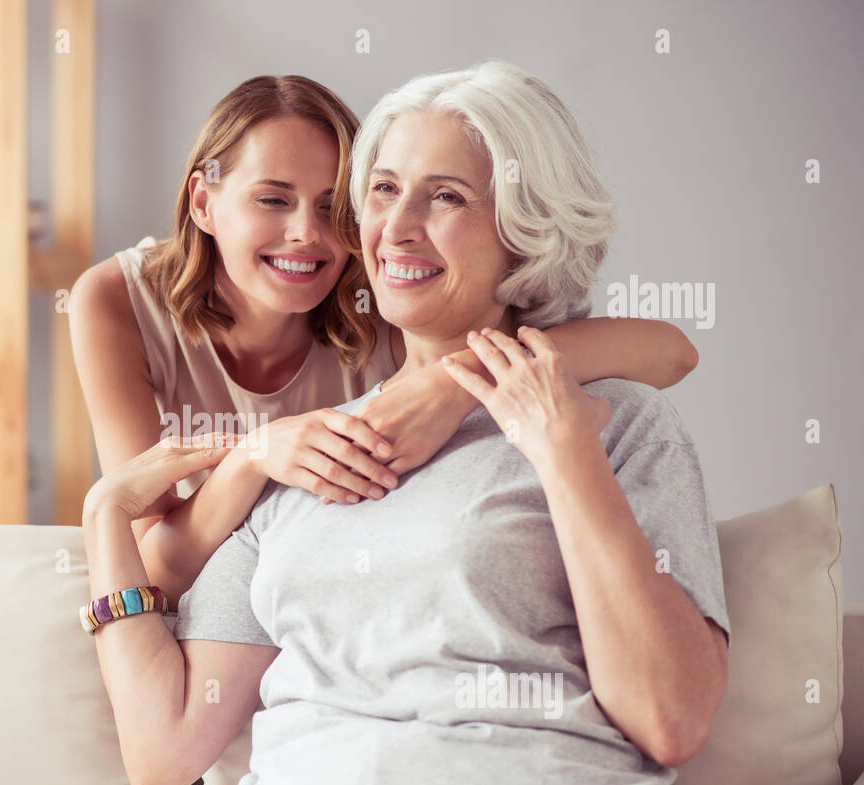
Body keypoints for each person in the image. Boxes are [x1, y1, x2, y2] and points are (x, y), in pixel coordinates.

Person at [83, 60, 730, 785]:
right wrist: (105, 514)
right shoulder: (305, 451)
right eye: (384, 190)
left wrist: (560, 451)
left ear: (525, 229)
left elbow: (672, 718)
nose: (397, 227)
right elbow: (163, 749)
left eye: (447, 196)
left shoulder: (617, 424)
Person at [68, 74, 698, 605]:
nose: (305, 236)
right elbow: (150, 568)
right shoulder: (116, 302)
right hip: (231, 600)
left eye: (329, 207)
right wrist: (256, 455)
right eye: (272, 200)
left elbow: (670, 350)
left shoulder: (380, 294)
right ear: (203, 204)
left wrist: (449, 387)